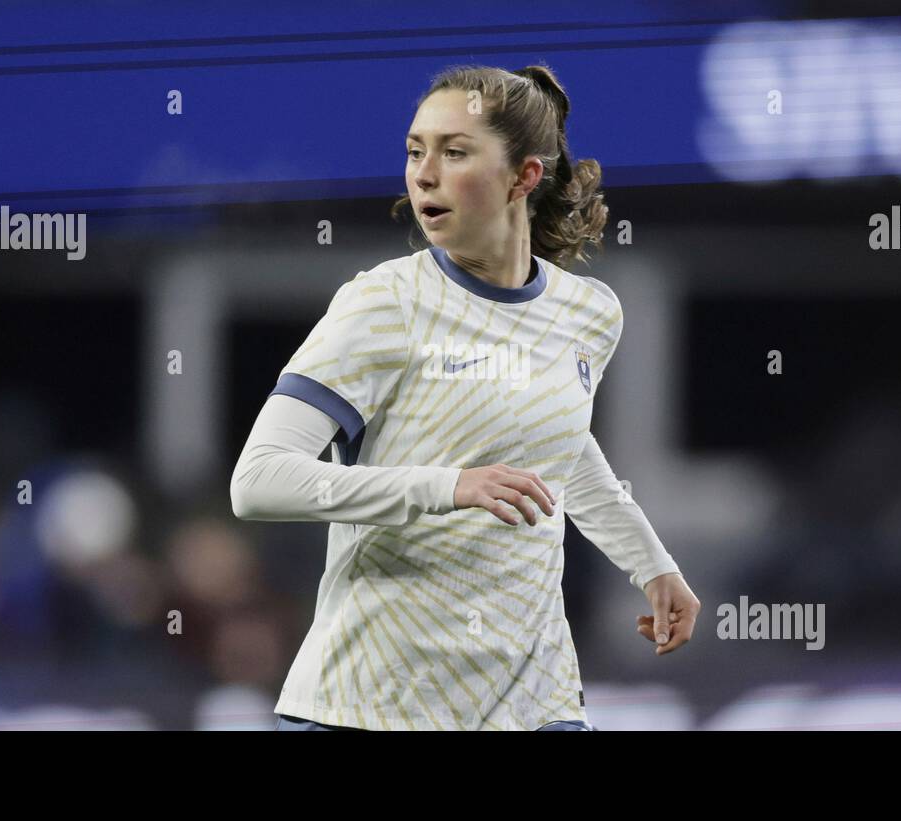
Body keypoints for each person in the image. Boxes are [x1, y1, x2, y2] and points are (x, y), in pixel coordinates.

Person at [231, 63, 699, 731]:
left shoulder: (589, 313)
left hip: (536, 705)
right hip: (370, 705)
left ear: (524, 176)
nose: (424, 173)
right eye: (415, 152)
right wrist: (445, 486)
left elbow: (558, 452)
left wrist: (652, 563)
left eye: (454, 152)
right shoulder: (383, 304)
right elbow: (258, 481)